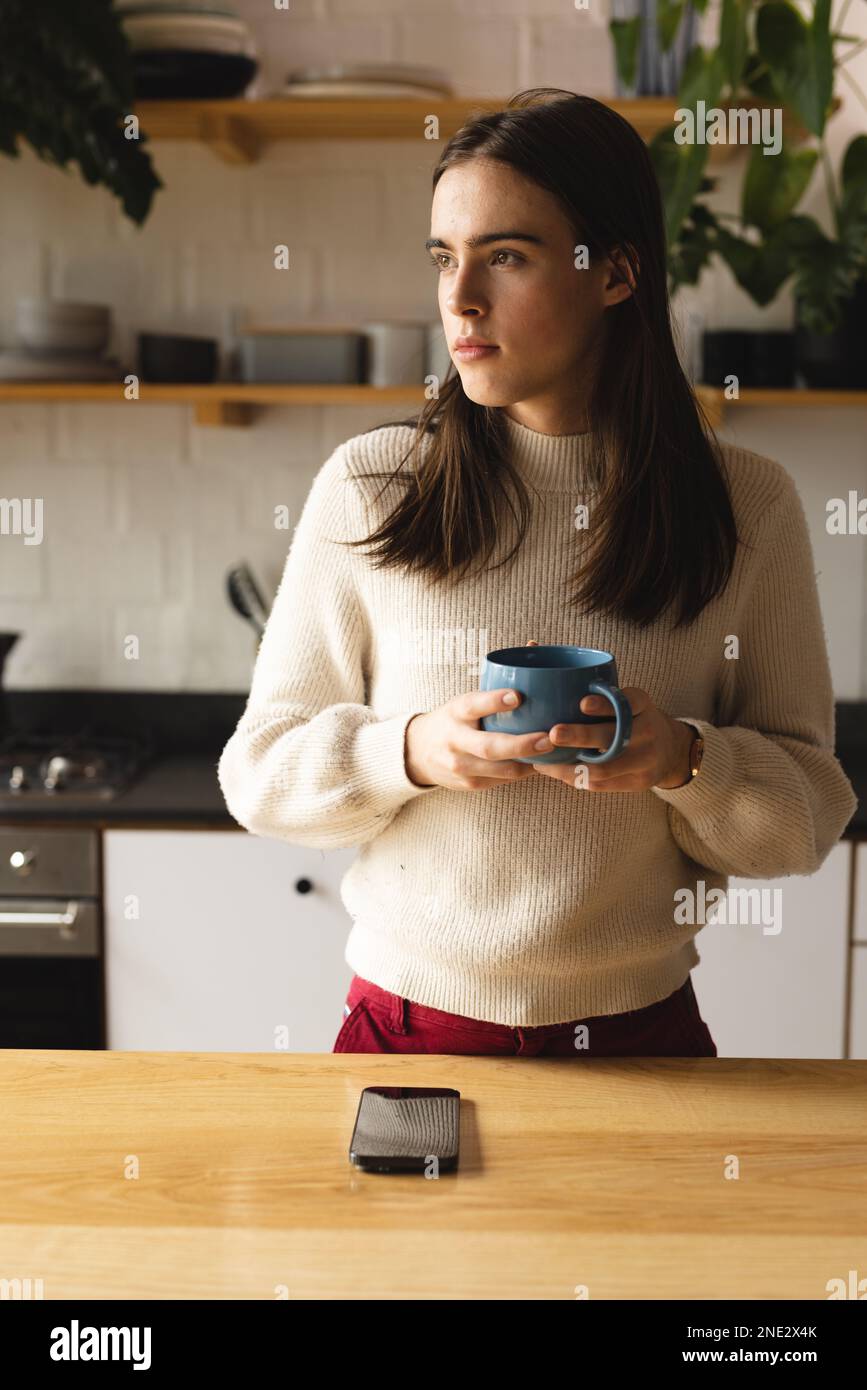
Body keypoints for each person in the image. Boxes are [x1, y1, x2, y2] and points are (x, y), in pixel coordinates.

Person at [217, 89, 856, 1058]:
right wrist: (411, 753)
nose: (459, 298)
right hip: (406, 1034)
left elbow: (807, 815)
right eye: (444, 257)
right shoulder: (372, 487)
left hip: (645, 1041)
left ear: (616, 274)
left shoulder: (746, 507)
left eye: (506, 256)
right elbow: (257, 773)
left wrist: (686, 759)